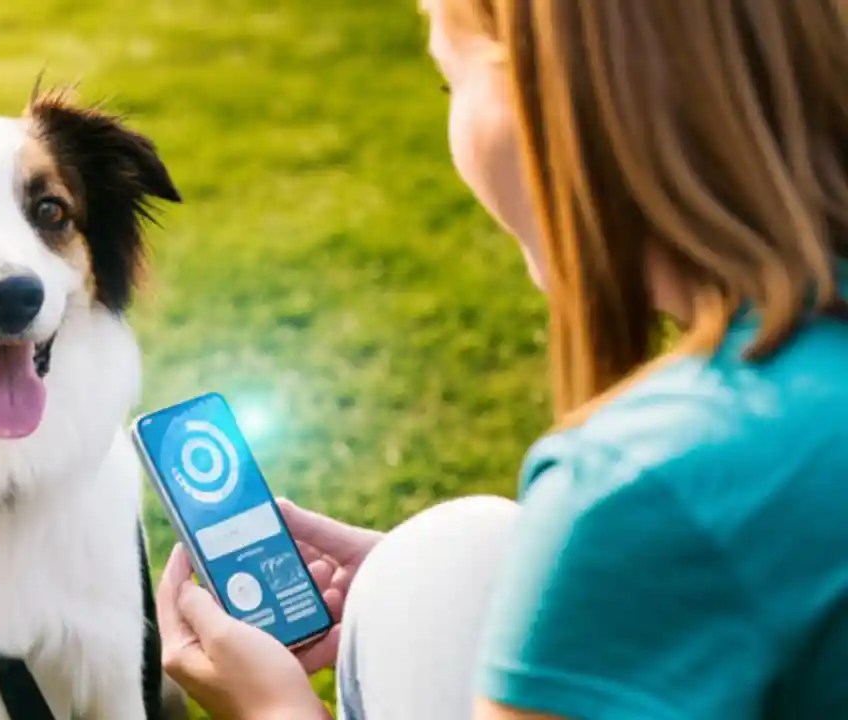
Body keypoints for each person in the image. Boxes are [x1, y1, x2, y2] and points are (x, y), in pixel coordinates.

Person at [155, 0, 848, 718]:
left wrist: (273, 710)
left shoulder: (645, 482)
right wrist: (429, 581)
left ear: (549, 96)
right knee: (451, 554)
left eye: (451, 83)